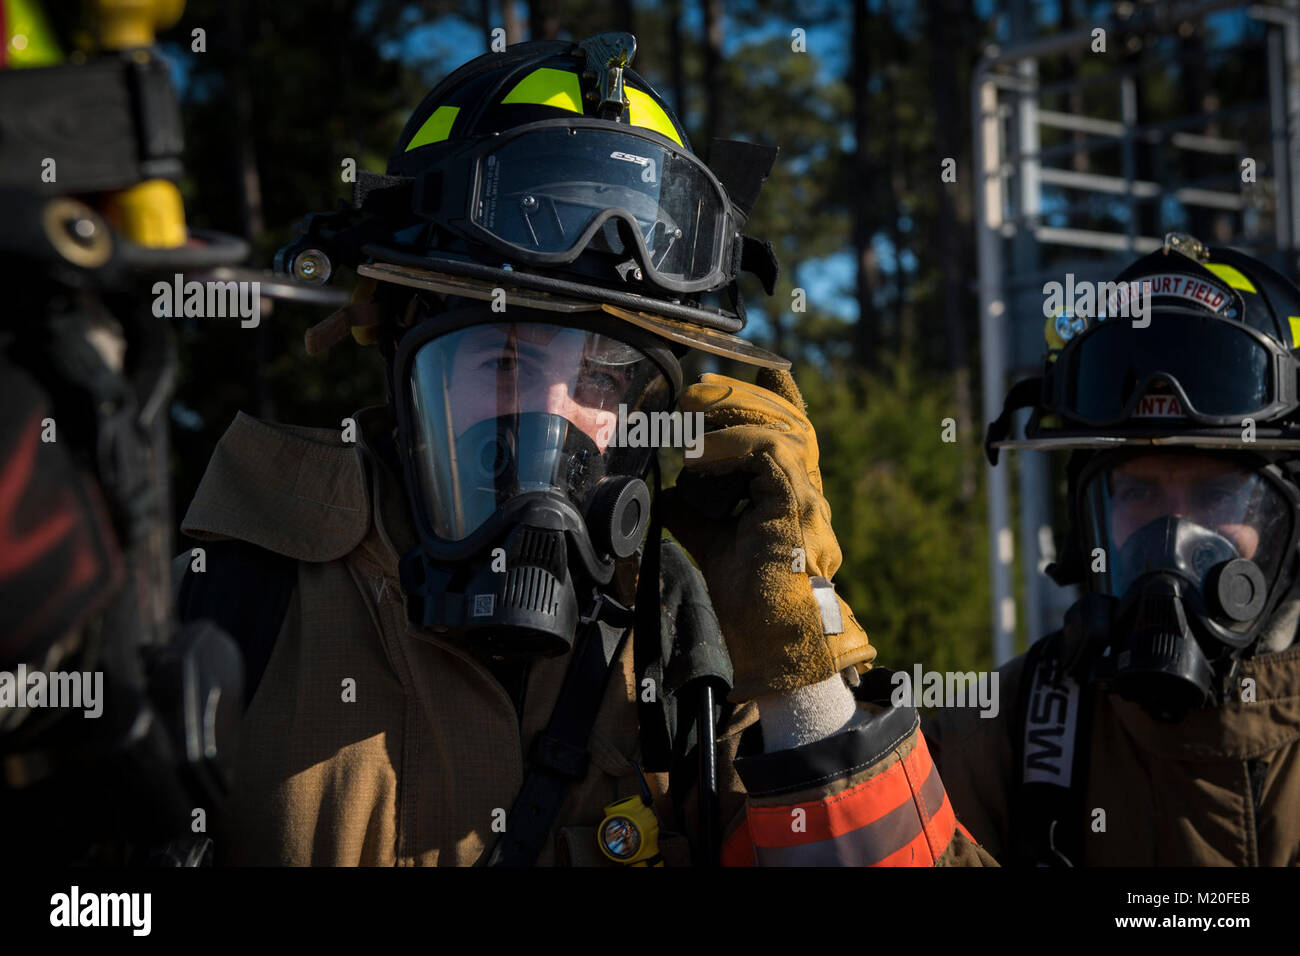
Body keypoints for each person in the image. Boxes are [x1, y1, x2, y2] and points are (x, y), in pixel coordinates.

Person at [179, 32, 992, 867]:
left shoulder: (690, 636)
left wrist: (801, 676)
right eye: (503, 363)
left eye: (602, 381)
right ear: (396, 347)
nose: (552, 418)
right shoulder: (237, 609)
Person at [929, 232, 1300, 865]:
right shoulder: (1009, 735)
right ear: (1086, 521)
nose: (1173, 538)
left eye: (1216, 494)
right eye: (1135, 491)